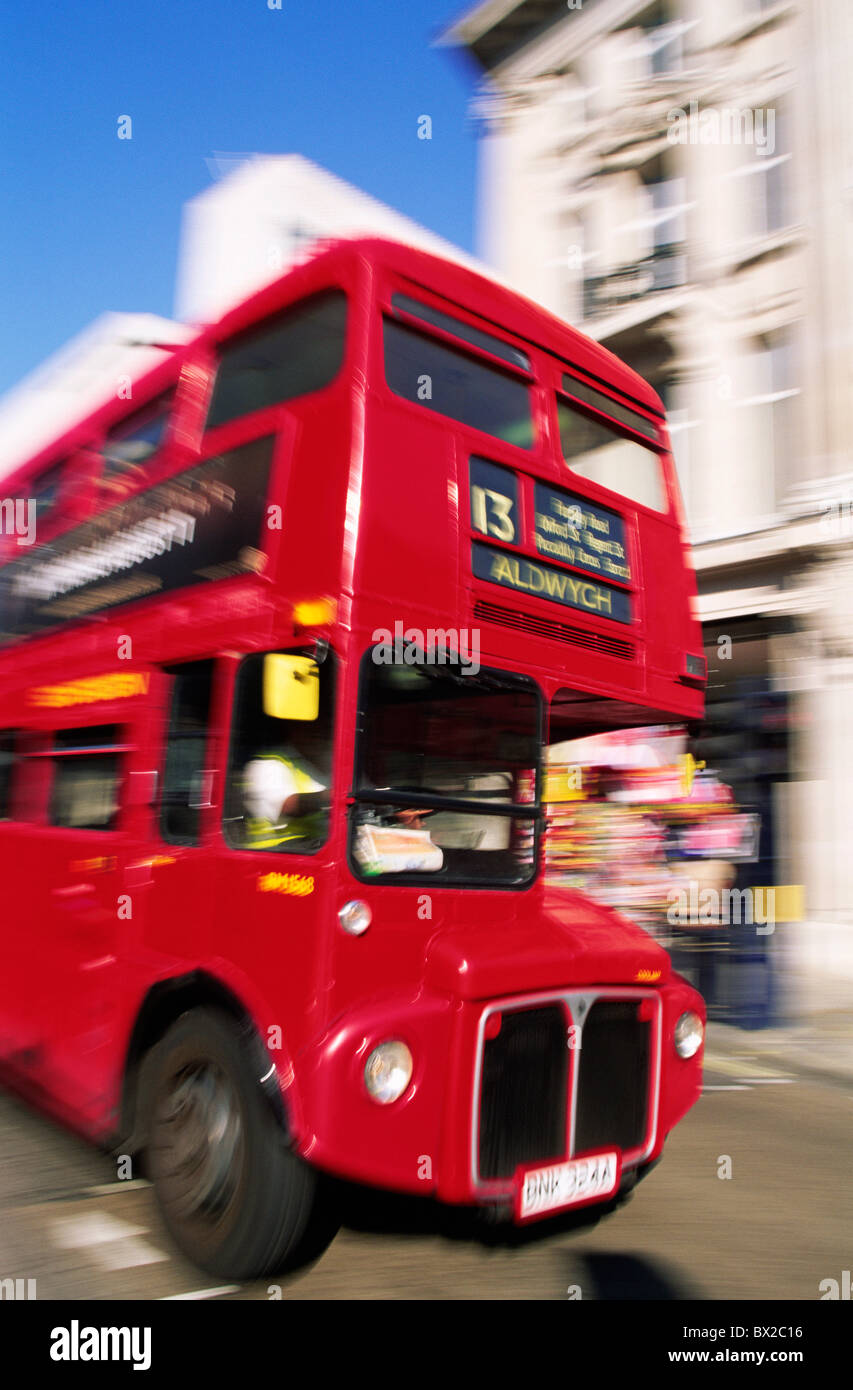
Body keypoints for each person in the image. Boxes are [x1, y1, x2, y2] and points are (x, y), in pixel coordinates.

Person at [242, 743, 328, 850]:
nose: (320, 733)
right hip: (274, 854)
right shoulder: (269, 764)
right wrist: (330, 797)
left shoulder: (320, 763)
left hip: (312, 849)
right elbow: (287, 806)